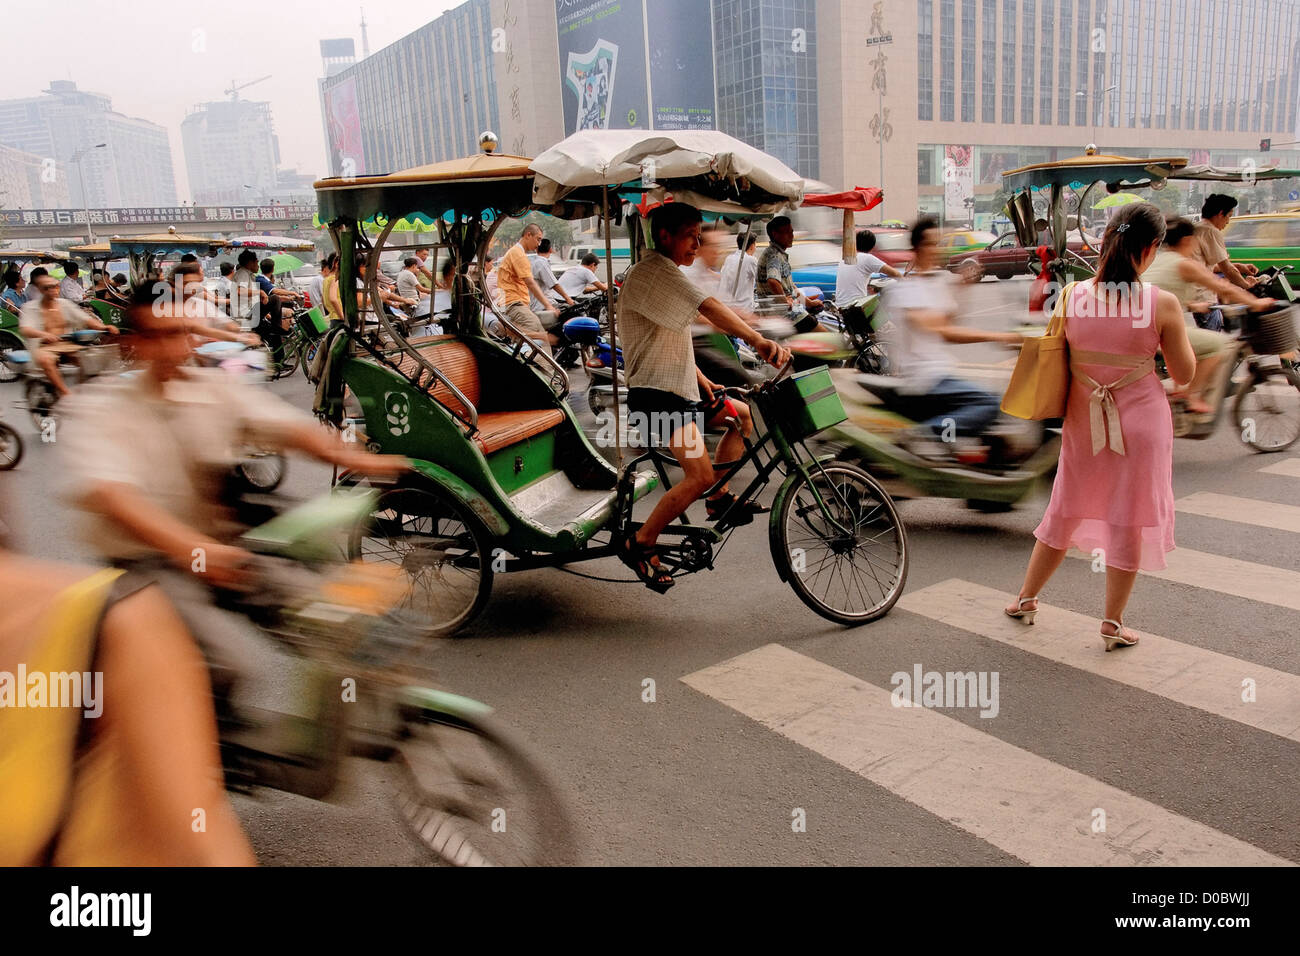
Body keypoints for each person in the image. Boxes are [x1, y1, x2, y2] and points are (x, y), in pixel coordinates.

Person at [59, 285, 410, 743]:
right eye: (159, 336)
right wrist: (191, 550)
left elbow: (287, 428)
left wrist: (363, 460)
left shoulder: (212, 389)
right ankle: (207, 754)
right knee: (229, 665)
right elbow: (114, 496)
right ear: (133, 344)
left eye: (183, 333)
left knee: (327, 615)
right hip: (145, 563)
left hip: (222, 550)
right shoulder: (98, 410)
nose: (175, 347)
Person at [0, 497, 255, 865]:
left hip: (192, 554)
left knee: (234, 664)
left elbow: (204, 850)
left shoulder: (111, 629)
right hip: (155, 555)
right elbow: (107, 488)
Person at [1005, 202, 1197, 651]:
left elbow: (1058, 355)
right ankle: (1112, 623)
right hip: (1143, 424)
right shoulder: (1161, 303)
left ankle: (1026, 599)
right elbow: (1184, 374)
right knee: (1128, 519)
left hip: (1083, 420)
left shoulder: (1073, 295)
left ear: (1107, 238)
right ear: (1150, 248)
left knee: (1066, 506)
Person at [617, 202, 790, 591]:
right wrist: (756, 338)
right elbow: (708, 307)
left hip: (680, 389)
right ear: (664, 236)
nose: (697, 244)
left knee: (741, 416)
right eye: (690, 236)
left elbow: (668, 336)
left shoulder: (667, 272)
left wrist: (699, 378)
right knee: (698, 475)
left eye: (699, 236)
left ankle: (718, 499)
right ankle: (642, 540)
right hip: (656, 398)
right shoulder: (653, 271)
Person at [883, 217, 1022, 459]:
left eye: (939, 243)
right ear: (916, 249)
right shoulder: (905, 290)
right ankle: (928, 433)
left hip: (940, 373)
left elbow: (949, 328)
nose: (938, 249)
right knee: (988, 405)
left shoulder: (934, 283)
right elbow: (940, 330)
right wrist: (996, 336)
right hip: (922, 378)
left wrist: (962, 288)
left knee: (994, 402)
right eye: (931, 244)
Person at [1143, 216, 1273, 413]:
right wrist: (1255, 302)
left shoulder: (1158, 260)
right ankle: (1192, 396)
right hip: (1158, 330)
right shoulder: (1185, 264)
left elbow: (1162, 291)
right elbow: (1223, 288)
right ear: (1188, 240)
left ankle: (1180, 390)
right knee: (1220, 345)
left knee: (1195, 343)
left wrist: (1192, 304)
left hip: (1143, 326)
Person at [18, 272, 119, 397]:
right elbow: (25, 329)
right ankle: (65, 393)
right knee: (46, 360)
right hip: (44, 346)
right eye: (47, 287)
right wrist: (43, 334)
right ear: (40, 289)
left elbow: (85, 319)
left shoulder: (65, 304)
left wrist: (104, 327)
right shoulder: (29, 307)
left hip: (67, 343)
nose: (52, 290)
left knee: (91, 358)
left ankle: (82, 391)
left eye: (55, 286)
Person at [497, 223, 559, 353]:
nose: (539, 243)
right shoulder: (518, 253)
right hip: (514, 303)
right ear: (528, 235)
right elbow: (530, 282)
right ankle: (546, 370)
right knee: (539, 335)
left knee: (524, 338)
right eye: (538, 239)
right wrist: (548, 305)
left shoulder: (517, 253)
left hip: (512, 303)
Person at [757, 215, 824, 333]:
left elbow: (791, 288)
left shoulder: (779, 254)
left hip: (789, 310)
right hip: (784, 314)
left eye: (792, 232)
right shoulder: (774, 256)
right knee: (825, 336)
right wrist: (784, 302)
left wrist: (809, 302)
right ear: (775, 234)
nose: (792, 236)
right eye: (787, 232)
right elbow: (773, 280)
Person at [1194, 194, 1259, 291]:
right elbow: (1227, 269)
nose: (1228, 221)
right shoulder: (1211, 231)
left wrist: (1238, 266)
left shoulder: (1197, 228)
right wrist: (1248, 285)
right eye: (1229, 216)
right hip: (1200, 292)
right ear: (1221, 214)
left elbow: (1204, 265)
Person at [835, 229, 903, 306]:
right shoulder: (867, 258)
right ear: (873, 246)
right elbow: (895, 273)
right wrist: (906, 282)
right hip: (855, 306)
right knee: (882, 313)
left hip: (839, 306)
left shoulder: (845, 258)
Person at [530, 237, 576, 318]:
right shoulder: (541, 263)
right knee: (573, 313)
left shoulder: (535, 262)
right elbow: (554, 284)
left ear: (536, 250)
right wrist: (568, 299)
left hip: (541, 303)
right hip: (542, 306)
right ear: (551, 250)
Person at [719, 232, 759, 314]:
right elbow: (762, 279)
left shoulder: (729, 258)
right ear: (752, 245)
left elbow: (722, 275)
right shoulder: (750, 260)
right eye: (755, 244)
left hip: (728, 306)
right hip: (744, 308)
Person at [231, 250, 266, 331]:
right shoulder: (243, 274)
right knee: (275, 300)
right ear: (250, 262)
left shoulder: (249, 275)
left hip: (249, 311)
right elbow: (241, 291)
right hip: (244, 314)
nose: (258, 266)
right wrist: (260, 292)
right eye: (256, 262)